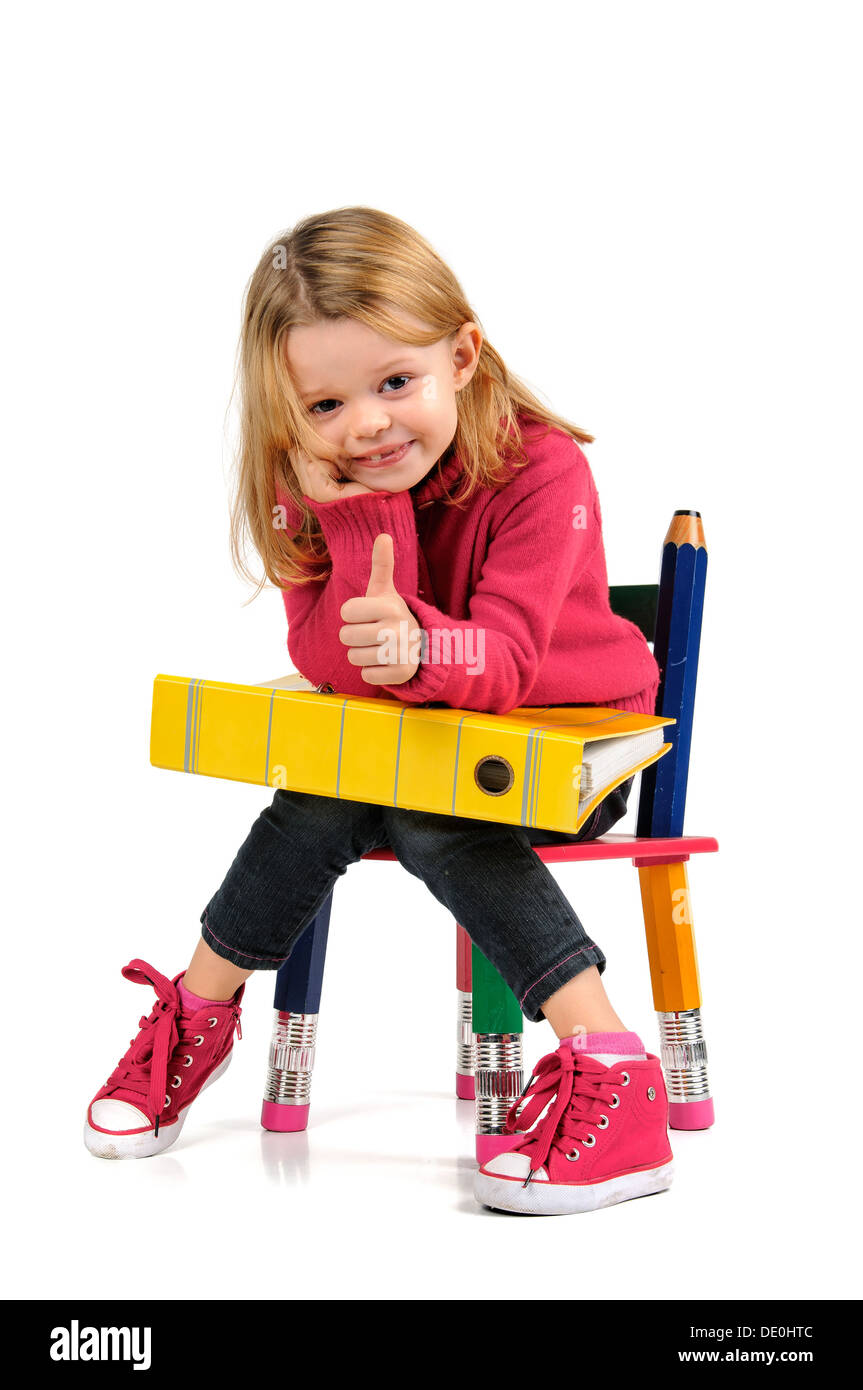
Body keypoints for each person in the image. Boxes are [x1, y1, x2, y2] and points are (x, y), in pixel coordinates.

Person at [84, 206, 674, 1215]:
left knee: (421, 802)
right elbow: (329, 660)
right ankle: (197, 1023)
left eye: (394, 383)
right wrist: (359, 519)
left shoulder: (541, 470)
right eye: (321, 405)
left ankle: (612, 1067)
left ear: (461, 354)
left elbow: (507, 657)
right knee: (336, 787)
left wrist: (413, 645)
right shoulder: (317, 481)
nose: (362, 425)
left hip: (569, 751)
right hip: (421, 745)